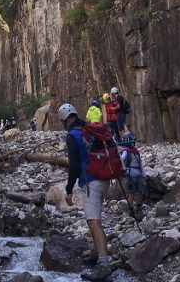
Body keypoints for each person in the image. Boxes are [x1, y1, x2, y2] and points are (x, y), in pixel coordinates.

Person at [58, 103, 113, 281]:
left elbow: (74, 166)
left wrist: (68, 190)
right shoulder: (88, 129)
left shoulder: (72, 135)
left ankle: (104, 267)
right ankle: (97, 255)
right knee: (97, 220)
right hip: (105, 179)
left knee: (93, 223)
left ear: (65, 120)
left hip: (91, 182)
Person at [120, 131, 146, 221]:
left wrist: (143, 174)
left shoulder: (135, 151)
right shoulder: (126, 152)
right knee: (132, 193)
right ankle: (132, 211)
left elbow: (140, 163)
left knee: (138, 192)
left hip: (137, 173)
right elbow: (122, 160)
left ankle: (138, 208)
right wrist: (124, 170)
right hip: (131, 174)